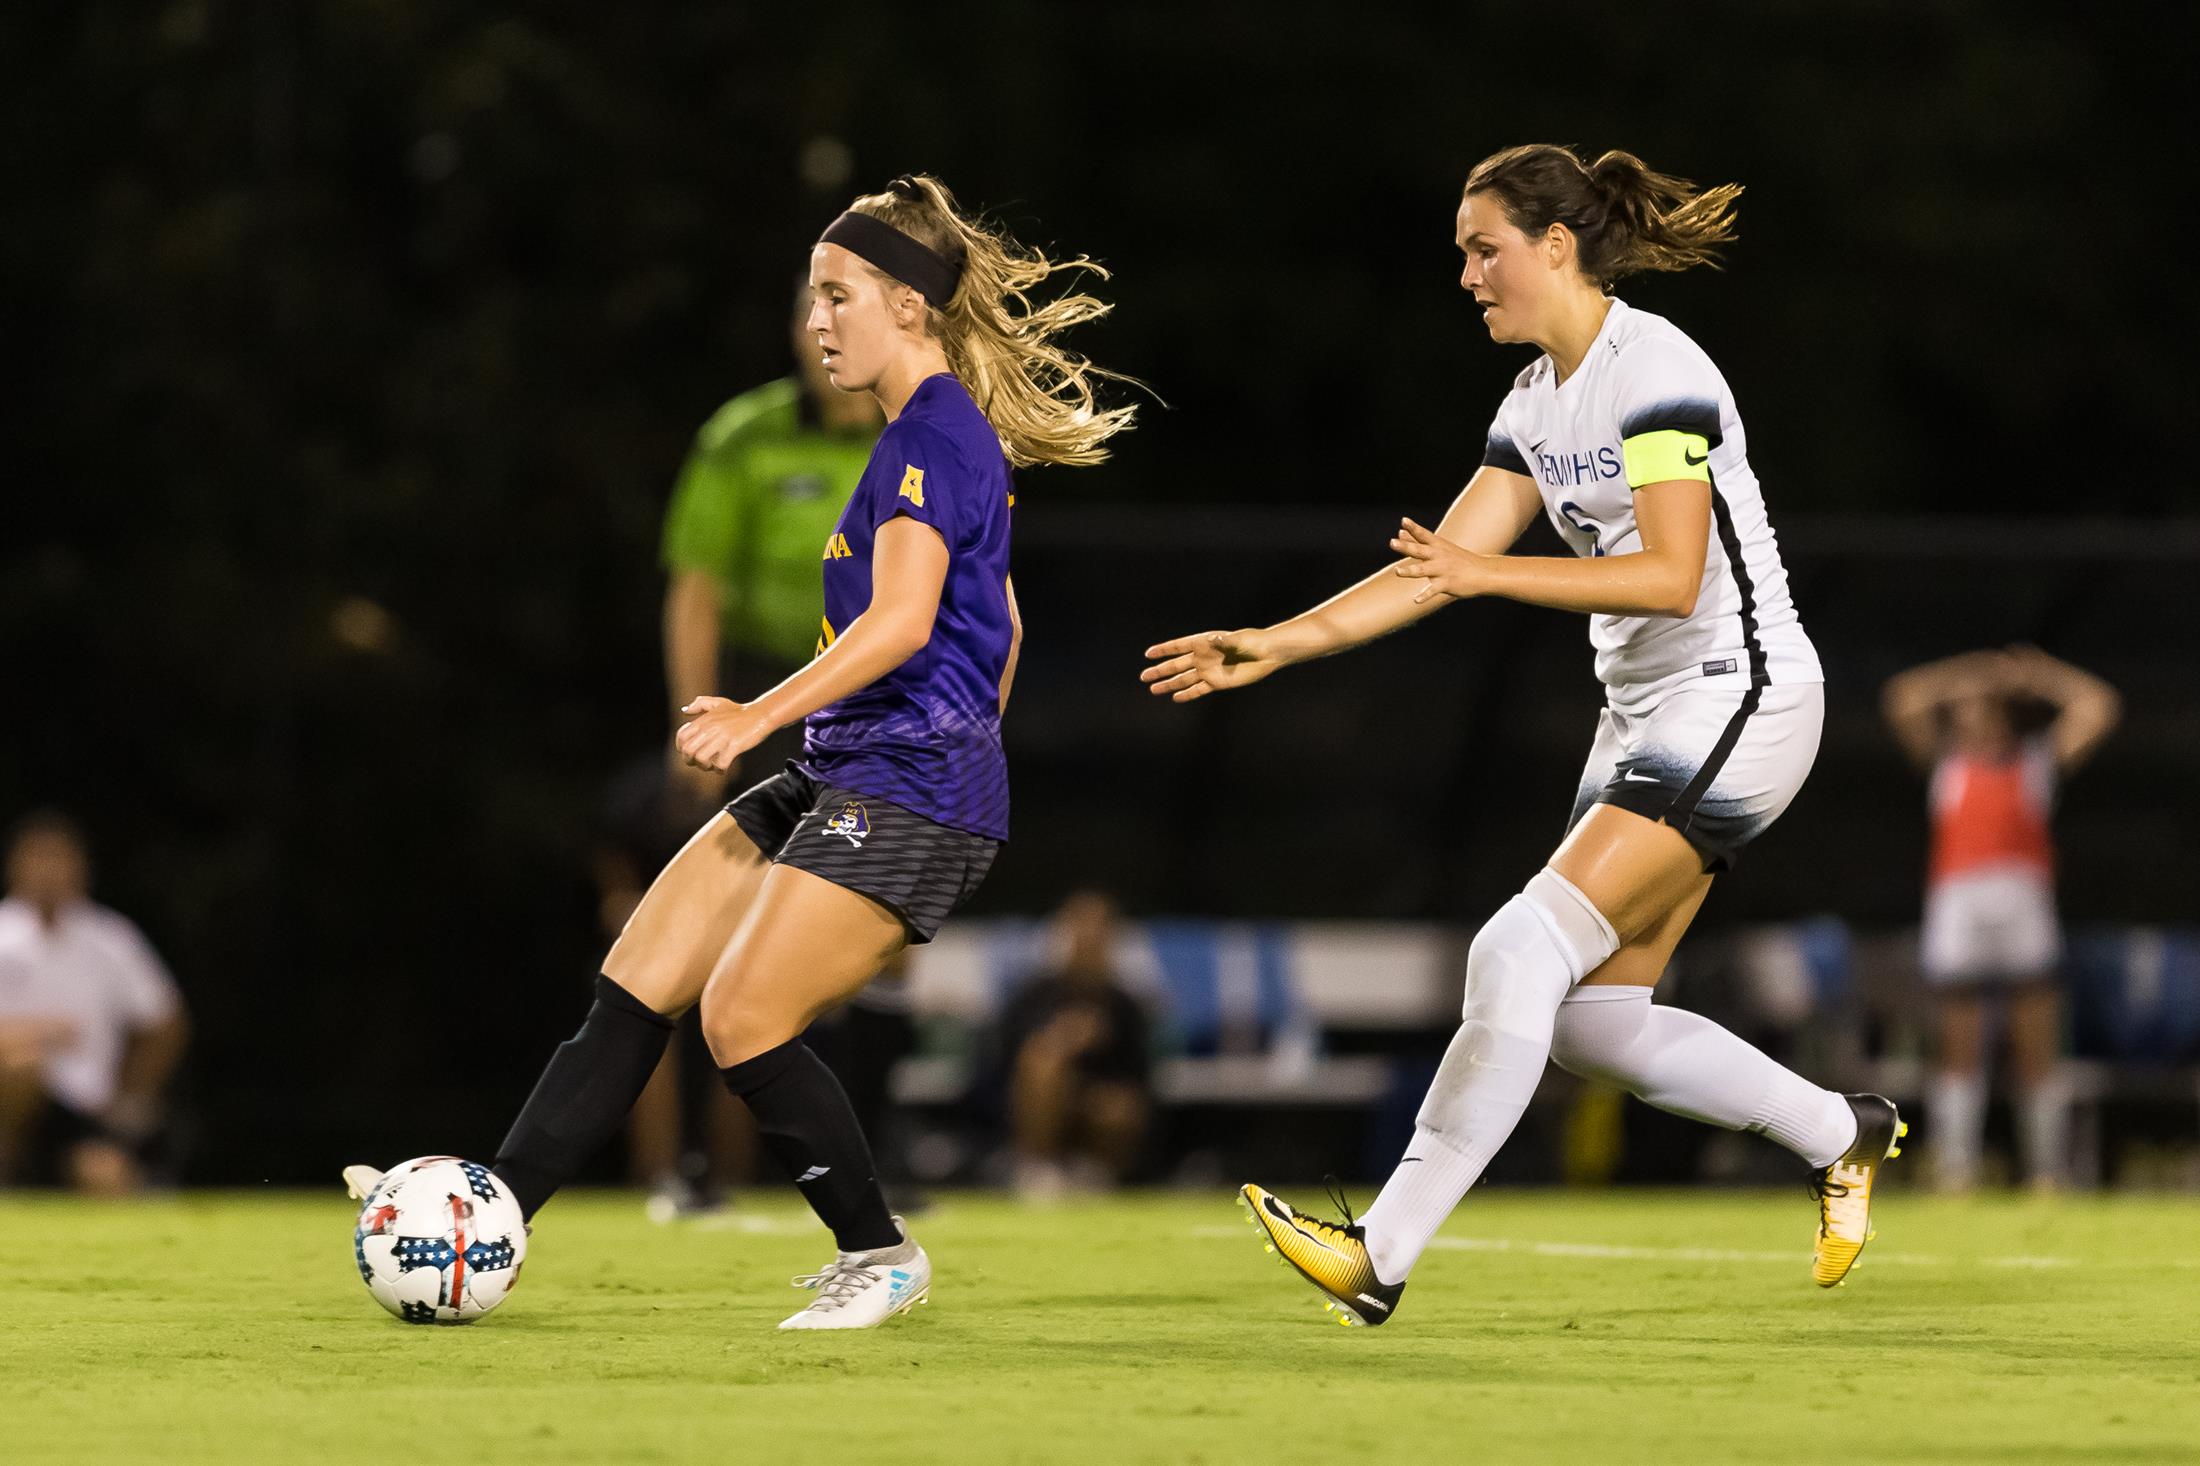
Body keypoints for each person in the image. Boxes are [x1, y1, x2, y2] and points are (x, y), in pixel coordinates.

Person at [348, 174, 1136, 1330]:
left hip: (905, 786)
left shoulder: (934, 434)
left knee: (741, 1018)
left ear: (910, 305)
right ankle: (491, 1210)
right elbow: (1000, 623)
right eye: (814, 297)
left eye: (839, 294)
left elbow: (906, 619)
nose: (817, 319)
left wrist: (772, 718)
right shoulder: (924, 437)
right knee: (640, 975)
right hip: (862, 765)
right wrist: (958, 723)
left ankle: (880, 1251)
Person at [1145, 144, 1901, 1327]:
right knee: (1597, 1024)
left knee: (1512, 952)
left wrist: (1487, 571)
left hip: (1737, 695)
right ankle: (1836, 1128)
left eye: (1481, 247)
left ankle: (1377, 1253)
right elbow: (1434, 572)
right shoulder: (1535, 401)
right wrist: (1277, 642)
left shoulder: (1656, 369)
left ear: (1556, 246)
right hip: (1651, 710)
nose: (1466, 275)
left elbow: (1667, 574)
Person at [631, 328, 880, 1218]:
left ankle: (867, 1170)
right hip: (759, 700)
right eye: (819, 308)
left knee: (862, 946)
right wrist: (695, 724)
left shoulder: (916, 431)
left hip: (878, 707)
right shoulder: (746, 434)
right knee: (720, 939)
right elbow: (695, 586)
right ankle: (700, 1170)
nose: (830, 332)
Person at [1882, 645, 2119, 1191]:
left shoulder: (2035, 761)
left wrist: (2038, 675)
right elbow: (1902, 699)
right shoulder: (1947, 766)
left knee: (2035, 1045)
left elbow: (2098, 706)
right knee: (1959, 1044)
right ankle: (1955, 1167)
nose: (1966, 714)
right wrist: (1965, 673)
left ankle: (2046, 1172)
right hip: (1959, 905)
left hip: (2022, 903)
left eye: (1978, 706)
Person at [0, 812, 189, 1194]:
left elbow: (165, 1021)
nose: (49, 871)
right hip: (13, 1098)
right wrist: (38, 1031)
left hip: (81, 1103)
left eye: (59, 859)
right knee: (22, 1066)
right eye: (38, 858)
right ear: (15, 865)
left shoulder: (110, 938)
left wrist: (132, 1094)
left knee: (105, 1177)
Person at [993, 889, 1152, 1197]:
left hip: (1096, 1106)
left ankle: (1093, 1173)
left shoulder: (1124, 1003)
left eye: (1099, 928)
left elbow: (1139, 1078)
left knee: (1119, 1107)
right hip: (1031, 1106)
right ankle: (1038, 1171)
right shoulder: (1035, 995)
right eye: (1081, 927)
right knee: (1043, 1061)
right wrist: (1063, 1040)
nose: (1089, 937)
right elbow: (1007, 1063)